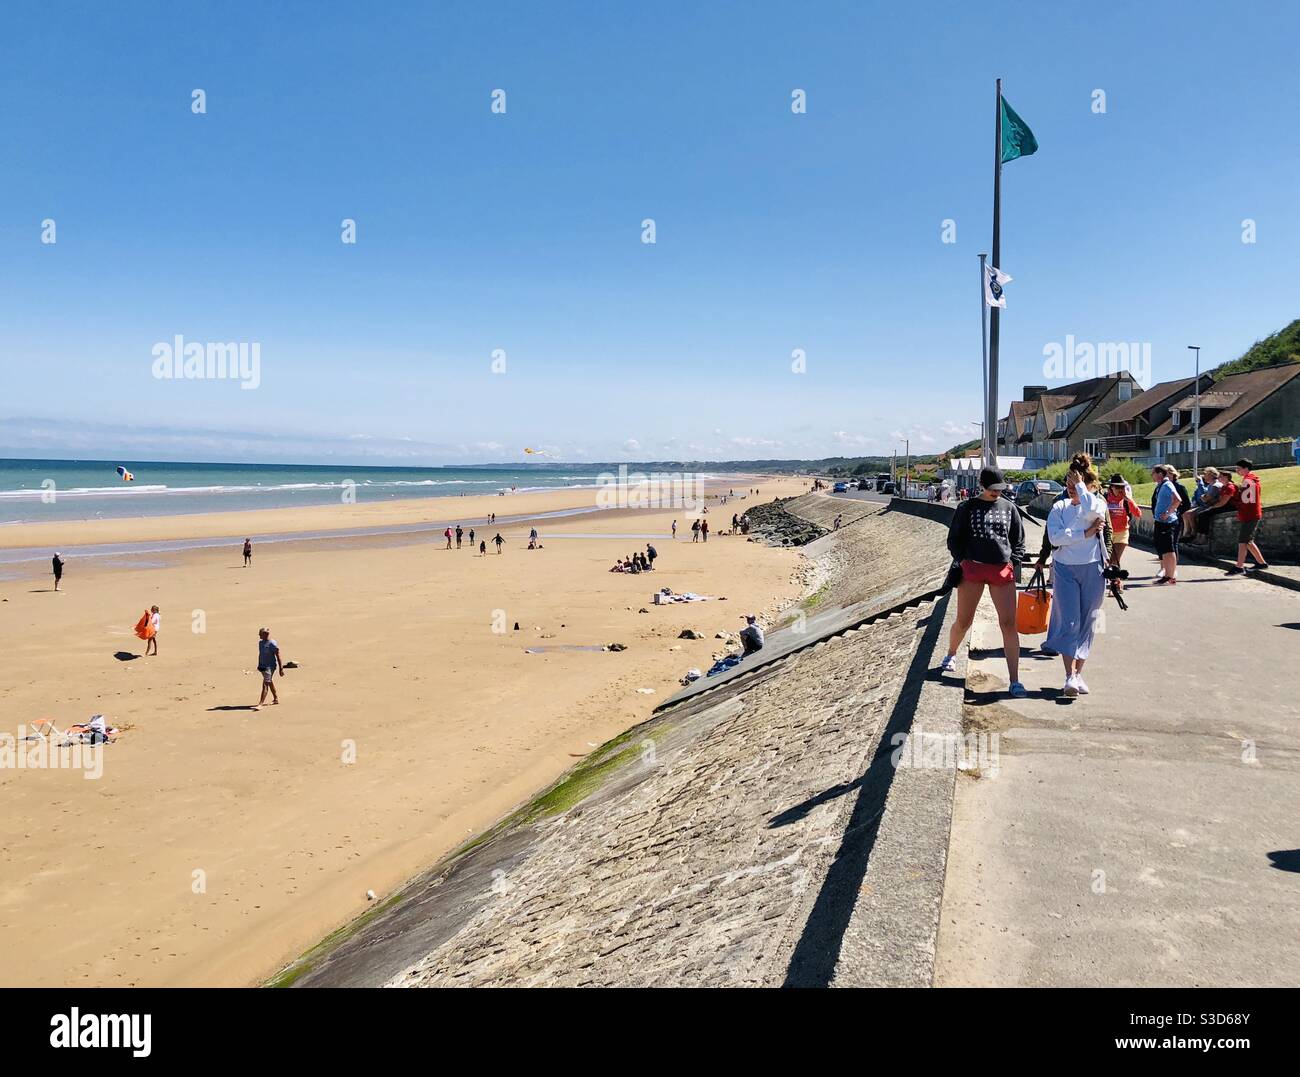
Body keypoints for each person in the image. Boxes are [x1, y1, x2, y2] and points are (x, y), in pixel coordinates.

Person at [938, 467, 1027, 698]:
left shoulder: (1009, 508)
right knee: (963, 621)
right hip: (973, 569)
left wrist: (1012, 563)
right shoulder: (966, 508)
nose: (996, 493)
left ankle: (1015, 680)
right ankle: (951, 653)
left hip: (1001, 571)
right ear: (982, 485)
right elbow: (954, 540)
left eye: (999, 489)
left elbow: (1019, 540)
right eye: (992, 489)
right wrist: (963, 562)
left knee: (1008, 624)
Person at [1044, 458, 1108, 698]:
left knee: (1089, 622)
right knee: (1069, 622)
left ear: (1090, 484)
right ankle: (1069, 675)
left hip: (1093, 568)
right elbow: (1056, 539)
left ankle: (1078, 673)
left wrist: (1082, 487)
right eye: (1069, 481)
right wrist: (1085, 532)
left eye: (1078, 481)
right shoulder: (1059, 508)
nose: (1072, 485)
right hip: (1065, 568)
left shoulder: (1097, 503)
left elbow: (1092, 510)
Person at [1226, 458, 1269, 574]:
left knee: (1242, 541)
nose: (1237, 471)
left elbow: (1245, 500)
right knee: (1248, 541)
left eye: (1238, 468)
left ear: (1245, 468)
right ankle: (1261, 563)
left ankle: (1239, 567)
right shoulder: (1252, 480)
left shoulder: (1247, 481)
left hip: (1249, 514)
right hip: (1252, 513)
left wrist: (1235, 497)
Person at [1103, 476, 1140, 592]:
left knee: (1115, 560)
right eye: (1117, 487)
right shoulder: (1104, 498)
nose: (1120, 489)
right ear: (1111, 487)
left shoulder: (1125, 500)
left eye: (1122, 487)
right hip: (1107, 533)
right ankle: (1114, 581)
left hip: (1122, 533)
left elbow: (1138, 513)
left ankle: (1115, 584)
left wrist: (1129, 500)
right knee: (1107, 561)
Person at [1150, 464, 1183, 584]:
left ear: (1159, 474)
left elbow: (1178, 499)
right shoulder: (1160, 485)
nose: (1151, 476)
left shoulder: (1167, 484)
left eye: (1153, 473)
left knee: (1169, 549)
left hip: (1167, 522)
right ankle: (1167, 574)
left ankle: (1171, 575)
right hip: (1160, 522)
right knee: (1163, 548)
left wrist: (1168, 513)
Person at [254, 627, 284, 710]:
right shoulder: (260, 643)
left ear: (265, 634)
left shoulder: (272, 644)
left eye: (260, 633)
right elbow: (261, 654)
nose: (259, 635)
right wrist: (259, 665)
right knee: (269, 681)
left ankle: (260, 704)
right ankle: (276, 699)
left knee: (265, 684)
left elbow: (278, 655)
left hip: (270, 667)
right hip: (262, 666)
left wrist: (281, 668)